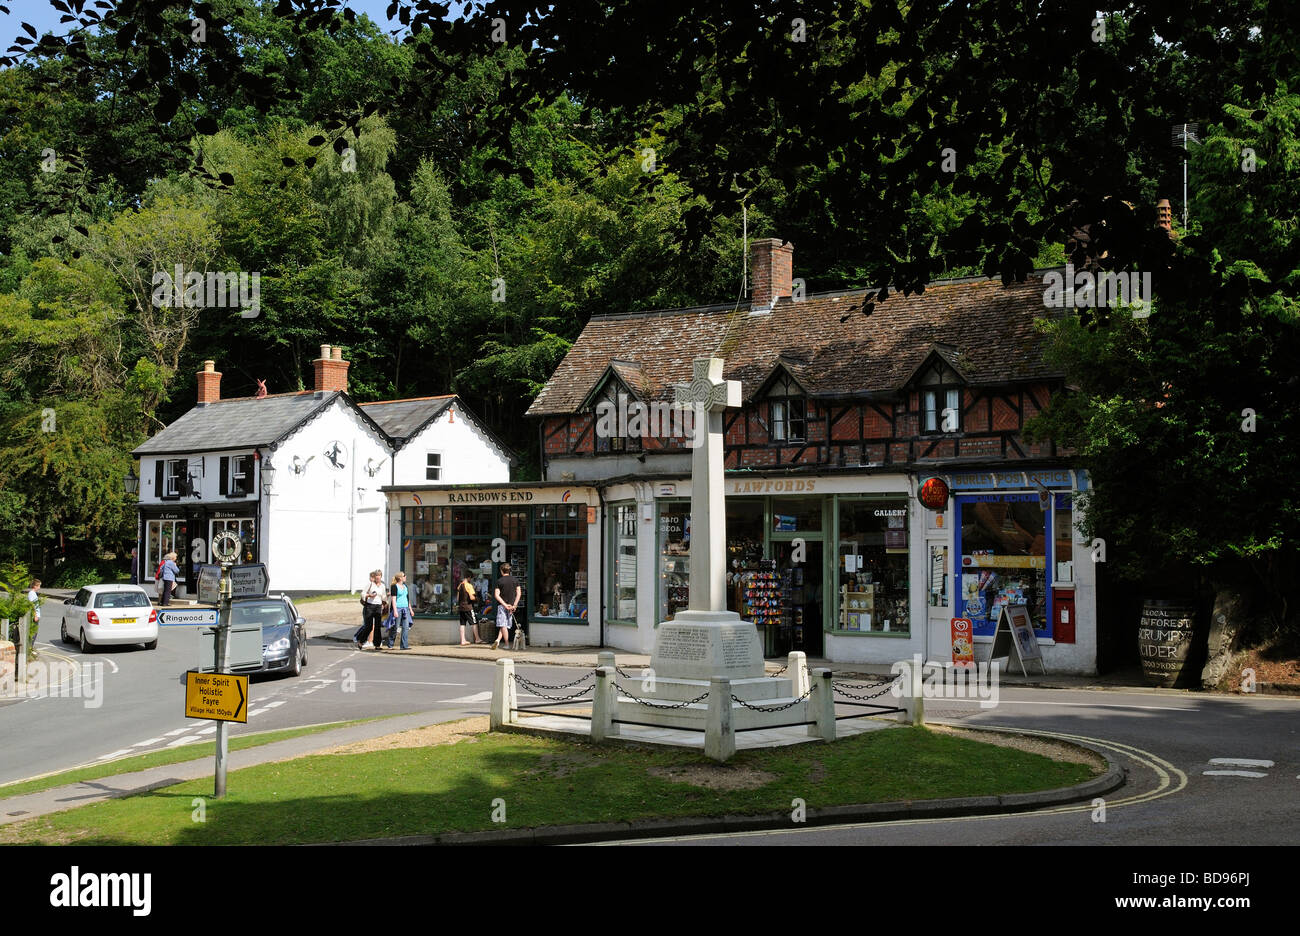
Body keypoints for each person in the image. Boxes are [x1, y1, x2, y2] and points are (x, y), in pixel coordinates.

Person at [492, 563, 522, 650]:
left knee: (503, 625)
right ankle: (498, 640)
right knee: (504, 625)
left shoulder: (499, 581)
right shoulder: (515, 580)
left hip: (503, 606)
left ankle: (506, 644)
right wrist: (514, 605)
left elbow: (496, 595)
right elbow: (519, 593)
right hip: (511, 607)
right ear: (509, 571)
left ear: (501, 571)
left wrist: (505, 605)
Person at [354, 570, 386, 649]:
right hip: (370, 606)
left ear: (381, 577)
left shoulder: (382, 586)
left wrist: (384, 603)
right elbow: (363, 593)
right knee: (369, 626)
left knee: (378, 626)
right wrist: (369, 595)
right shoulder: (370, 584)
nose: (378, 578)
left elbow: (383, 596)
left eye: (379, 576)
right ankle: (361, 642)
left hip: (378, 606)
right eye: (376, 576)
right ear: (374, 577)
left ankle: (377, 645)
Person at [387, 571, 413, 650]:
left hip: (405, 609)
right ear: (400, 578)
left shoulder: (405, 586)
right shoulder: (394, 586)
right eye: (404, 576)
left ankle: (404, 645)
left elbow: (407, 599)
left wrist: (410, 609)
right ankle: (390, 644)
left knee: (406, 627)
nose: (405, 577)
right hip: (398, 608)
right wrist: (395, 611)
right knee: (395, 627)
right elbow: (393, 599)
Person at [457, 575, 482, 645]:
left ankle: (463, 640)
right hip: (468, 607)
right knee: (474, 623)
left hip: (461, 607)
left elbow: (457, 598)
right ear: (468, 578)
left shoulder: (459, 586)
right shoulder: (469, 586)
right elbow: (472, 598)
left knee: (462, 624)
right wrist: (476, 598)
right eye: (471, 578)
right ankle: (477, 639)